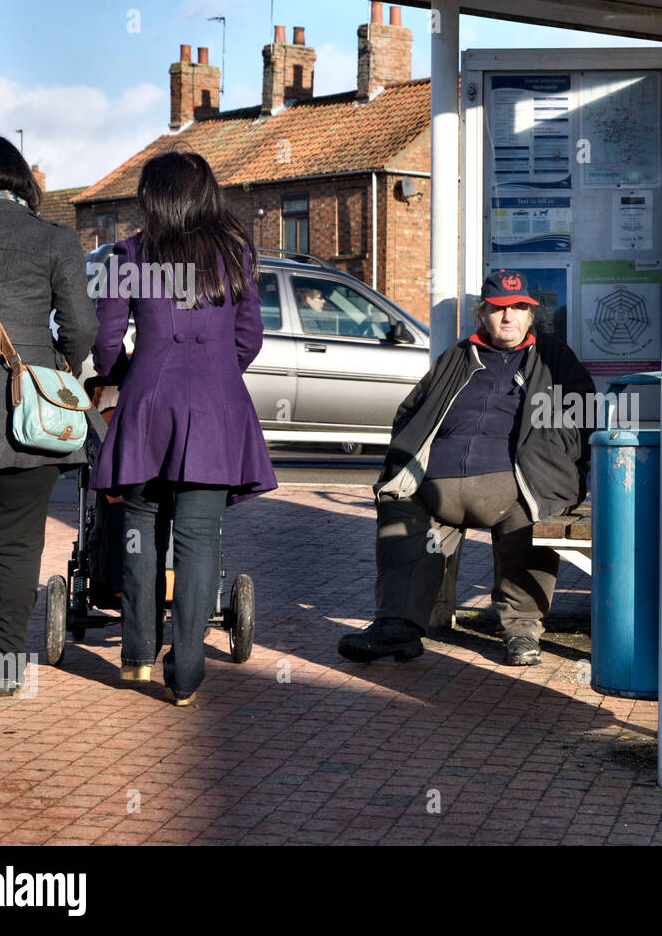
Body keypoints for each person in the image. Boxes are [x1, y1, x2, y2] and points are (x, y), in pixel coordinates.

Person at [90, 151, 276, 707]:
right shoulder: (236, 253)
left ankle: (139, 655)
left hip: (147, 403)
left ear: (153, 197)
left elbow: (104, 346)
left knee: (139, 525)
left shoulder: (128, 255)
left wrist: (136, 375)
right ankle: (188, 671)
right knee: (199, 540)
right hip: (218, 408)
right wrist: (215, 375)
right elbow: (251, 339)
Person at [338, 269, 595, 667]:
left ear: (530, 313)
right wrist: (404, 459)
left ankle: (522, 631)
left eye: (517, 308)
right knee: (402, 517)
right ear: (482, 314)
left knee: (530, 516)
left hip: (514, 485)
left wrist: (550, 462)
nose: (507, 317)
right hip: (434, 486)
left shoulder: (553, 356)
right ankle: (397, 626)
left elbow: (582, 414)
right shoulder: (458, 356)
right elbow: (412, 409)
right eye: (497, 309)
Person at [0, 134, 98, 724]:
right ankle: (2, 671)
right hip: (30, 422)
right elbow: (82, 328)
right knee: (15, 545)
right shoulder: (53, 238)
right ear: (19, 179)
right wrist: (54, 364)